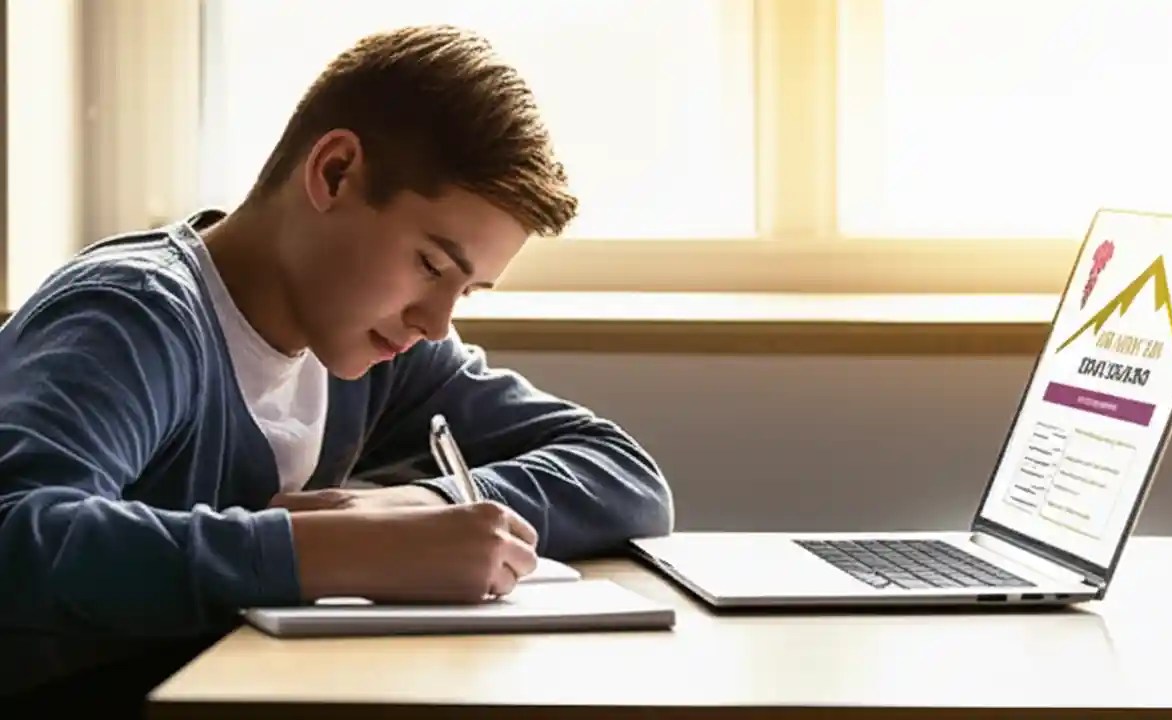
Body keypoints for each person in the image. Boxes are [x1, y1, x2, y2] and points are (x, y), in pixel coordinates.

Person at [0, 24, 674, 637]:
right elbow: (17, 537)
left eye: (464, 290)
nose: (437, 322)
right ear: (334, 172)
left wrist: (411, 509)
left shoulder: (378, 352)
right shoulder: (134, 317)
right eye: (431, 265)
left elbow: (625, 478)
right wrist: (340, 554)